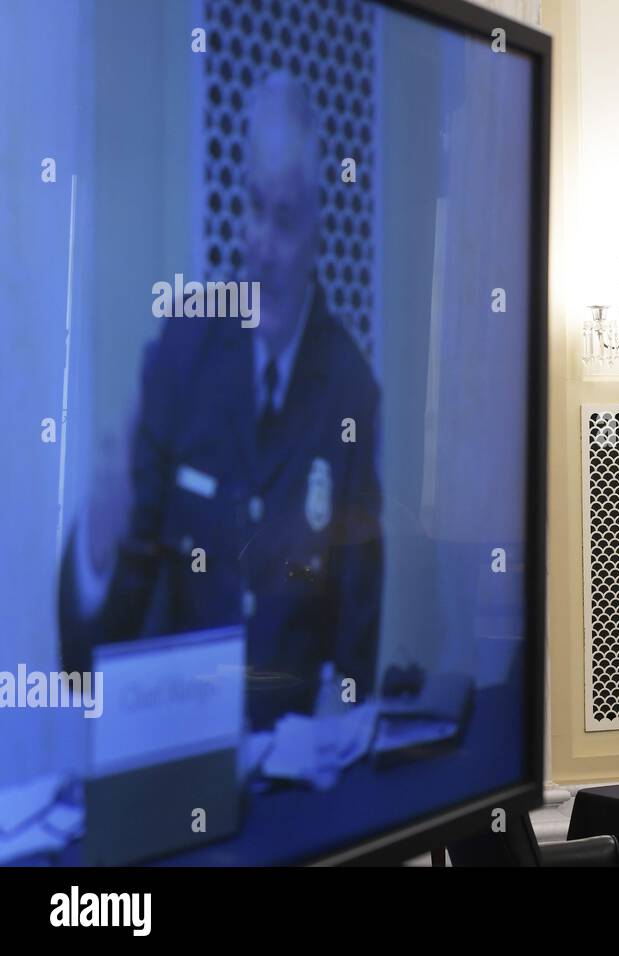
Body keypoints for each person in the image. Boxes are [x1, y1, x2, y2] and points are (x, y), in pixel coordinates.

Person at [58, 73, 382, 730]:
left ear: (319, 224)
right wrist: (99, 541)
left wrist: (338, 731)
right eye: (253, 208)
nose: (260, 243)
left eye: (285, 219)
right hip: (176, 750)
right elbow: (86, 657)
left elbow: (357, 619)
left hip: (292, 782)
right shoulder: (185, 348)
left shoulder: (350, 387)